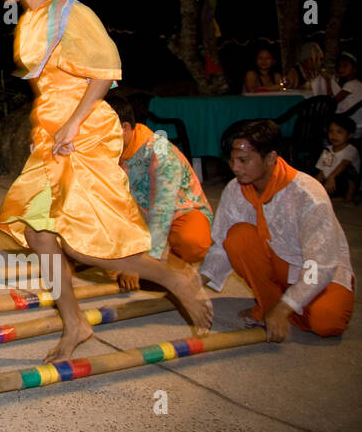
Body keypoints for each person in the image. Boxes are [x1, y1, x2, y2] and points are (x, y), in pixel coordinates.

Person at [0, 0, 212, 363]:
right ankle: (75, 322)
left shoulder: (68, 12)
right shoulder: (31, 19)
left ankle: (176, 275)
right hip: (52, 134)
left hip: (83, 131)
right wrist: (55, 127)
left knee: (80, 242)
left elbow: (106, 70)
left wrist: (73, 124)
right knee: (39, 233)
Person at [201, 120, 353, 340]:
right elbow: (222, 247)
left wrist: (284, 308)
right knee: (238, 237)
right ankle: (272, 304)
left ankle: (280, 306)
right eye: (232, 160)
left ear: (271, 157)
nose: (235, 167)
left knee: (327, 323)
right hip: (278, 266)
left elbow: (318, 264)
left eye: (244, 160)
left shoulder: (307, 194)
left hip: (318, 269)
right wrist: (195, 283)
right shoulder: (235, 189)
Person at [104, 96, 213, 290]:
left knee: (192, 242)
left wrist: (138, 264)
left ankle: (168, 264)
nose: (97, 139)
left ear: (125, 127)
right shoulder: (104, 151)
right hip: (137, 217)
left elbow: (162, 212)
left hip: (178, 213)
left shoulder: (160, 152)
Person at [314, 114, 360, 202]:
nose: (334, 135)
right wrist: (315, 185)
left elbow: (344, 164)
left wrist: (331, 177)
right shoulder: (328, 150)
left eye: (339, 132)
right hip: (331, 181)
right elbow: (323, 170)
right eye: (331, 131)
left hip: (344, 180)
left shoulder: (351, 150)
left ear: (349, 135)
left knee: (349, 171)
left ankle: (349, 196)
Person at [331, 51, 362, 139]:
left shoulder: (351, 85)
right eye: (339, 66)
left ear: (354, 69)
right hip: (358, 124)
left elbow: (333, 101)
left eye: (345, 66)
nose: (341, 69)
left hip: (352, 125)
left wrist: (328, 82)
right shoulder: (357, 83)